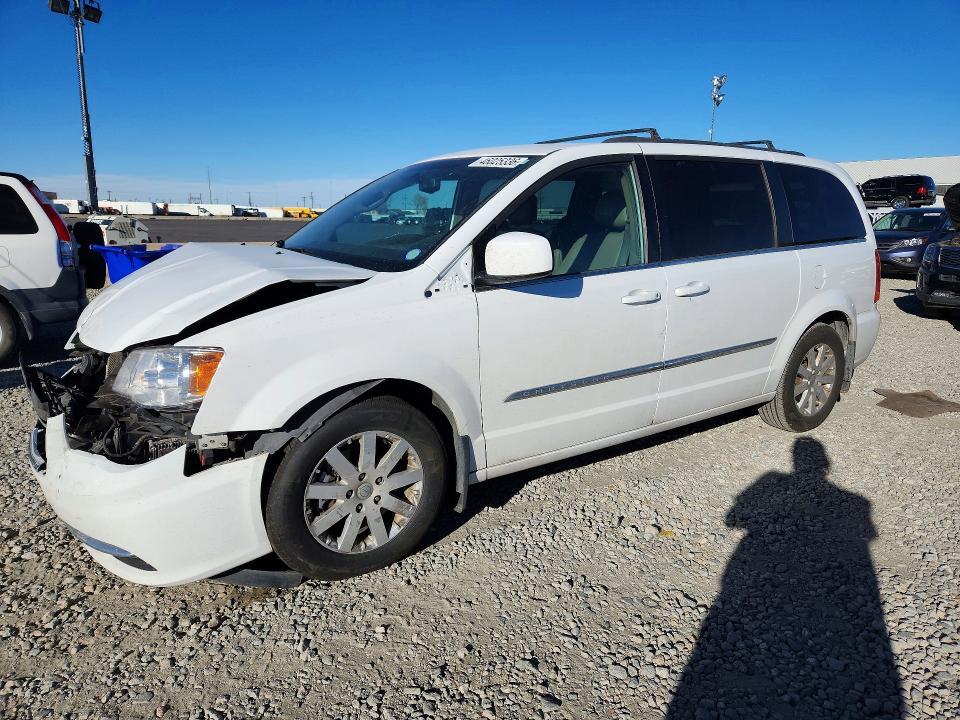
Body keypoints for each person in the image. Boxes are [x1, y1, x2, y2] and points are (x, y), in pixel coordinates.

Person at [667, 438, 903, 720]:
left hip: (752, 578)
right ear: (826, 465)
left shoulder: (774, 481)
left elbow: (732, 519)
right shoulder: (858, 503)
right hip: (841, 594)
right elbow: (866, 537)